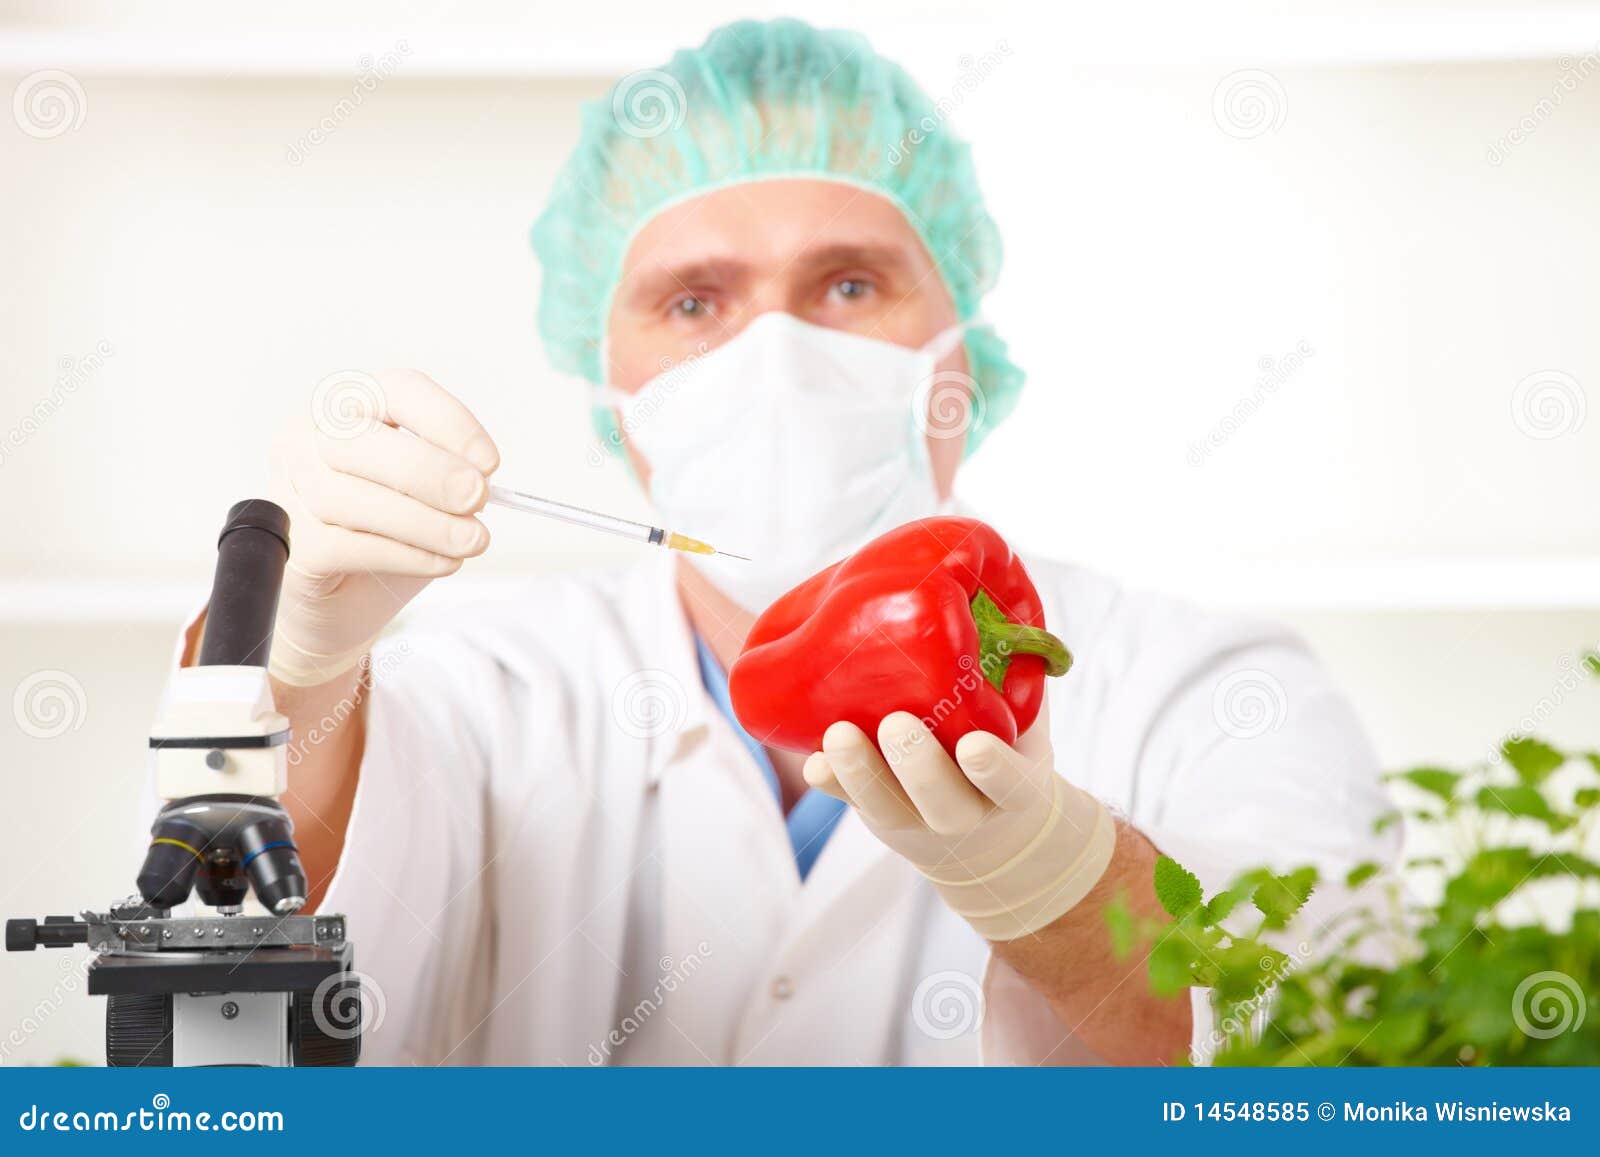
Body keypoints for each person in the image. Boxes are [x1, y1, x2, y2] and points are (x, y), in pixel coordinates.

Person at [188, 19, 1396, 1064]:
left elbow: (1340, 1054)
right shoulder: (487, 689)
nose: (773, 358)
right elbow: (222, 1033)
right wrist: (288, 675)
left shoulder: (1196, 691)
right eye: (695, 302)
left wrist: (1058, 883)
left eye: (850, 285)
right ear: (613, 391)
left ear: (956, 364)